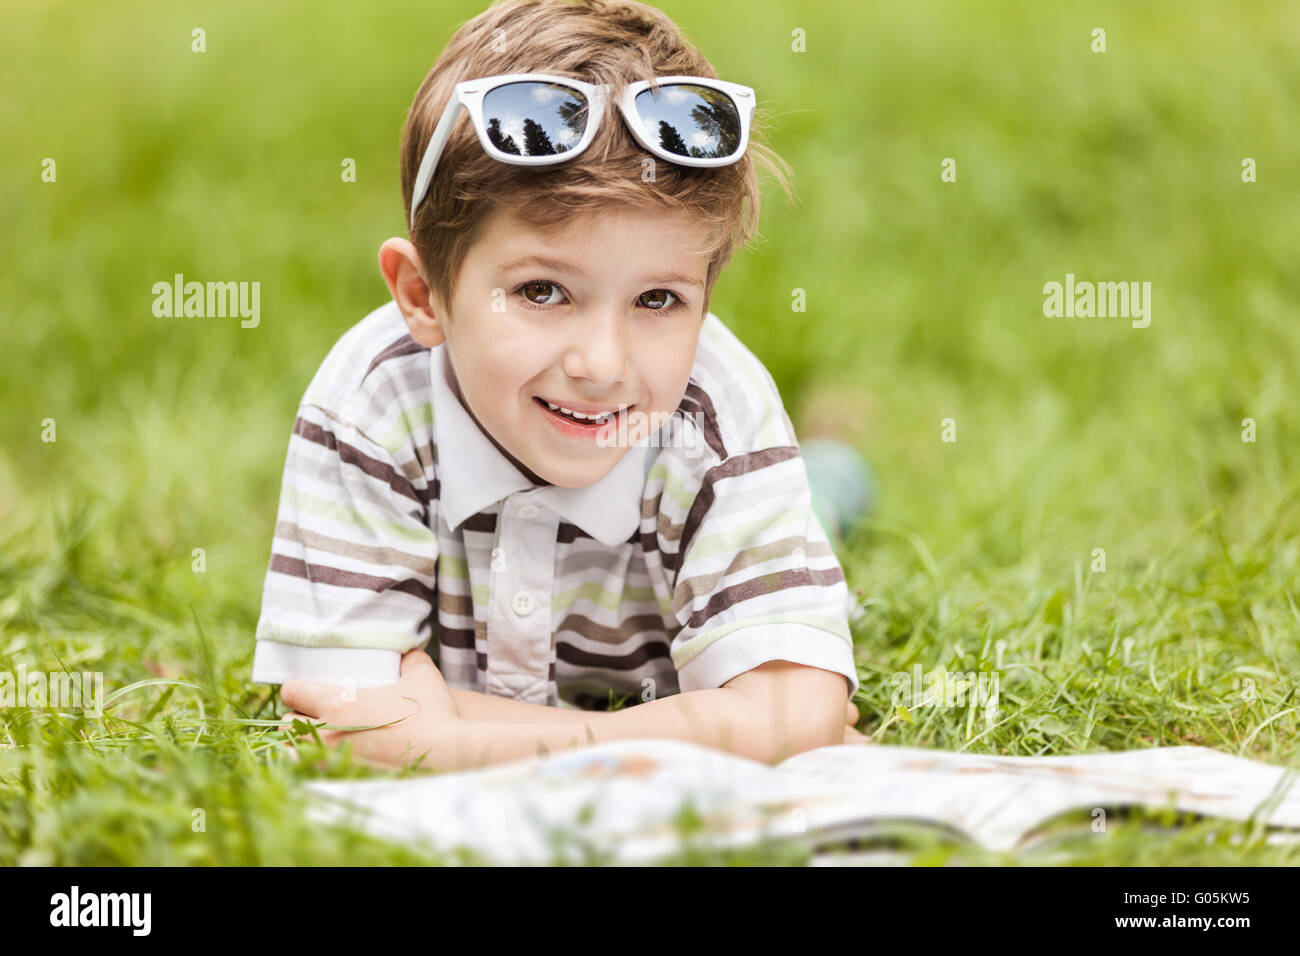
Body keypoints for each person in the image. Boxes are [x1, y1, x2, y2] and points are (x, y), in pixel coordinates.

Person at [256, 0, 873, 770]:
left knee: (817, 503)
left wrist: (448, 740)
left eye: (657, 300)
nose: (603, 364)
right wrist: (723, 725)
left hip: (734, 500)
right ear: (423, 296)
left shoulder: (718, 416)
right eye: (543, 291)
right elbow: (342, 717)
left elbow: (795, 715)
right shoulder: (371, 403)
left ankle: (826, 484)